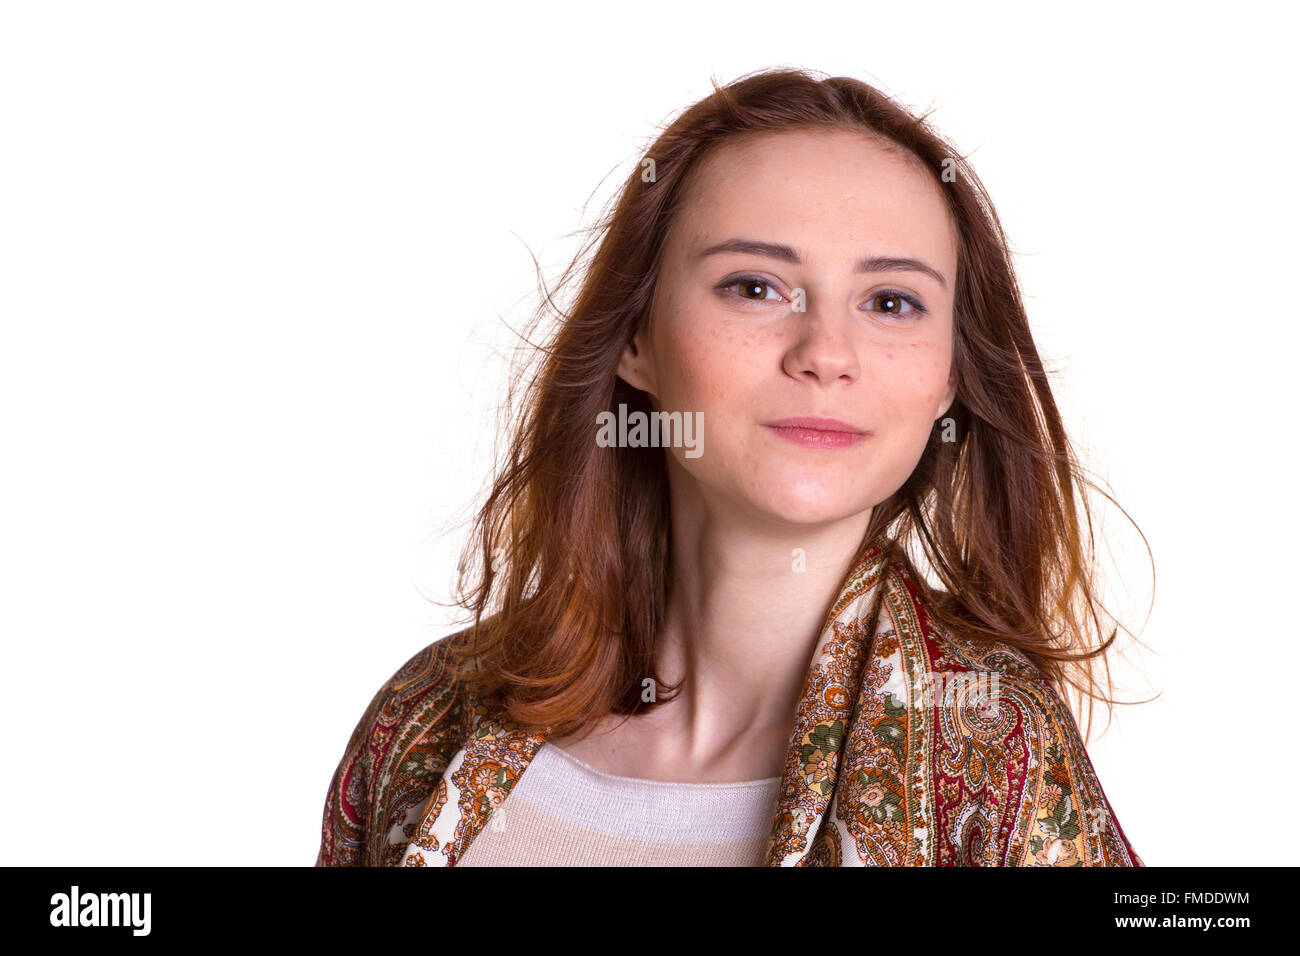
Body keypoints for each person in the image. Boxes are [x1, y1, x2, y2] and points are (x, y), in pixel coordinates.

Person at [315, 67, 1148, 867]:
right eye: (754, 287)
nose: (826, 354)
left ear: (949, 381)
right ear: (635, 339)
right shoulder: (429, 718)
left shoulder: (998, 747)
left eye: (891, 302)